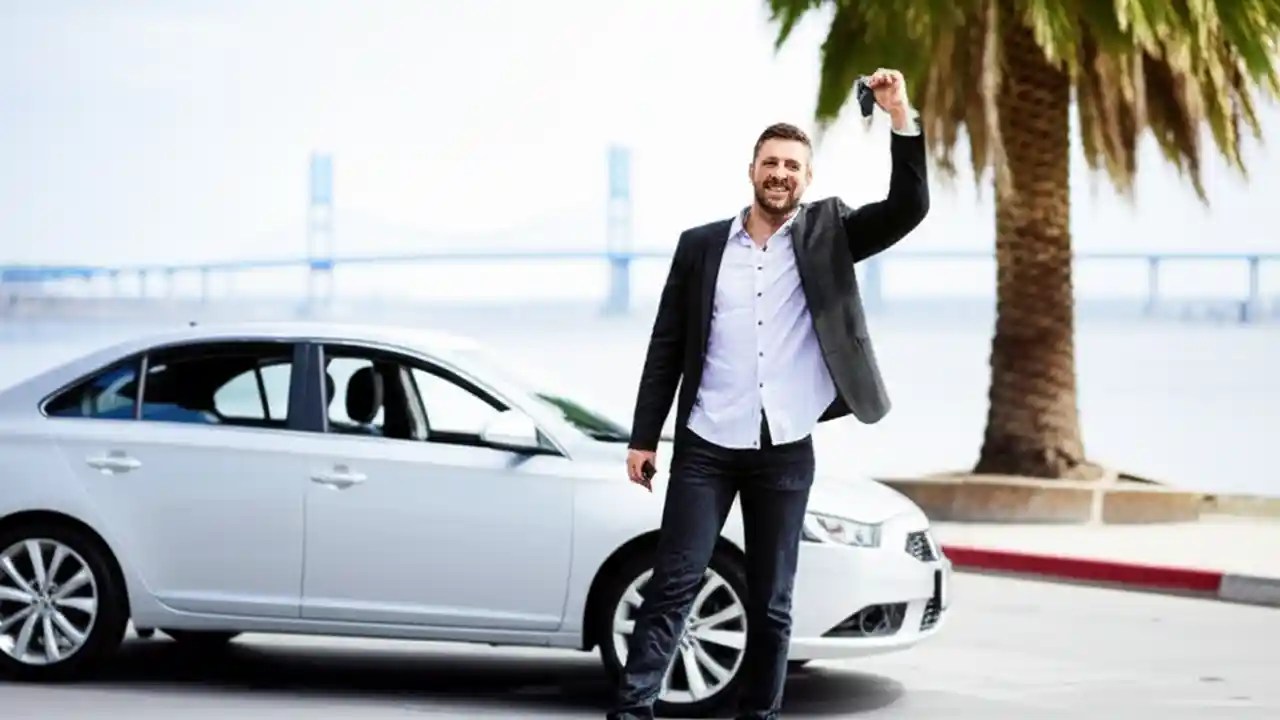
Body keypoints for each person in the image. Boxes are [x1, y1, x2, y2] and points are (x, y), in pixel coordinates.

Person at [608, 68, 929, 720]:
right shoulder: (700, 247)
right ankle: (632, 712)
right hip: (705, 442)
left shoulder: (826, 235)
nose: (781, 173)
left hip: (784, 448)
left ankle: (759, 716)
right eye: (771, 162)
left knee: (774, 601)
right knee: (674, 585)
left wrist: (900, 117)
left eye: (793, 166)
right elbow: (667, 344)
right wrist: (645, 437)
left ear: (806, 181)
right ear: (751, 170)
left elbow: (908, 209)